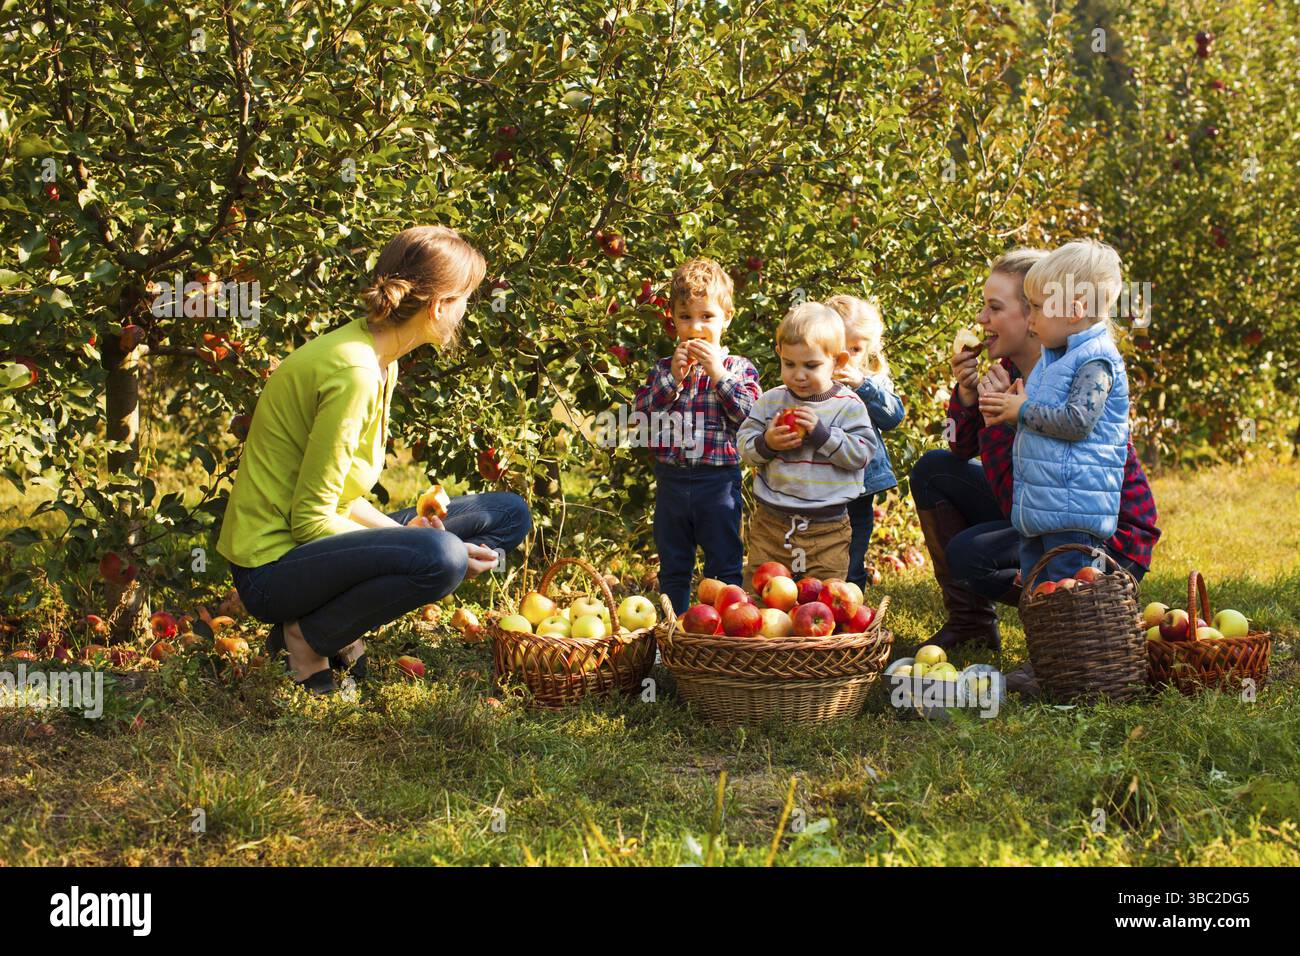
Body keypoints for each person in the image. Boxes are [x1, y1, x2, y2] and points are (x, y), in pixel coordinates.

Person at [216, 226, 532, 693]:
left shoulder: (381, 356)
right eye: (466, 297)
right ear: (439, 306)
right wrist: (419, 546)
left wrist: (403, 537)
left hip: (311, 542)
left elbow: (341, 494)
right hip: (272, 568)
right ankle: (306, 638)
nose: (468, 309)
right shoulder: (355, 373)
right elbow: (310, 521)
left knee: (507, 512)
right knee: (443, 557)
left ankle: (327, 621)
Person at [908, 249, 1159, 695]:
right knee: (933, 470)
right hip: (1036, 508)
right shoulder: (1007, 374)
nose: (982, 319)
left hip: (1100, 533)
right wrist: (968, 397)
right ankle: (972, 624)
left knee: (977, 554)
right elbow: (958, 446)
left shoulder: (1076, 374)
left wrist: (1011, 417)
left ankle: (1071, 644)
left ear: (1031, 317)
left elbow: (1056, 468)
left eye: (995, 308)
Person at [980, 239, 1133, 585]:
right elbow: (1039, 420)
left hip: (1074, 515)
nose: (1030, 318)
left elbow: (1077, 422)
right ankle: (1047, 642)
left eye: (1036, 307)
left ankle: (1077, 642)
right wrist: (1011, 407)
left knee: (1072, 594)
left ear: (1074, 311)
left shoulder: (1096, 360)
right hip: (1042, 510)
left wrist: (1024, 409)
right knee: (1038, 594)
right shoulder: (1055, 357)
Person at [633, 258, 761, 615]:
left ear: (727, 318)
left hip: (717, 482)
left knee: (723, 562)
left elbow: (750, 415)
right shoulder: (663, 368)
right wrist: (673, 378)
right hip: (671, 482)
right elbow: (642, 415)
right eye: (686, 317)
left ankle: (726, 633)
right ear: (673, 320)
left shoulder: (738, 368)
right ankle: (673, 633)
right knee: (673, 563)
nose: (696, 327)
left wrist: (717, 374)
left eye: (707, 316)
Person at [737, 301, 877, 586]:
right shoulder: (771, 402)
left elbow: (861, 454)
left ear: (838, 362)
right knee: (761, 592)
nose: (798, 374)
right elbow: (744, 446)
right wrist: (767, 443)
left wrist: (823, 435)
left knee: (826, 597)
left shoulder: (848, 406)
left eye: (811, 365)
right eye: (789, 364)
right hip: (772, 523)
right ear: (779, 355)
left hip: (827, 528)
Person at [825, 295, 906, 592]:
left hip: (859, 485)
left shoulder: (873, 382)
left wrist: (862, 385)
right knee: (818, 548)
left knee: (853, 550)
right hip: (820, 485)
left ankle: (851, 612)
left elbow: (893, 416)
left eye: (856, 349)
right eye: (839, 346)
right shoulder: (811, 380)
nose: (846, 356)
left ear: (867, 351)